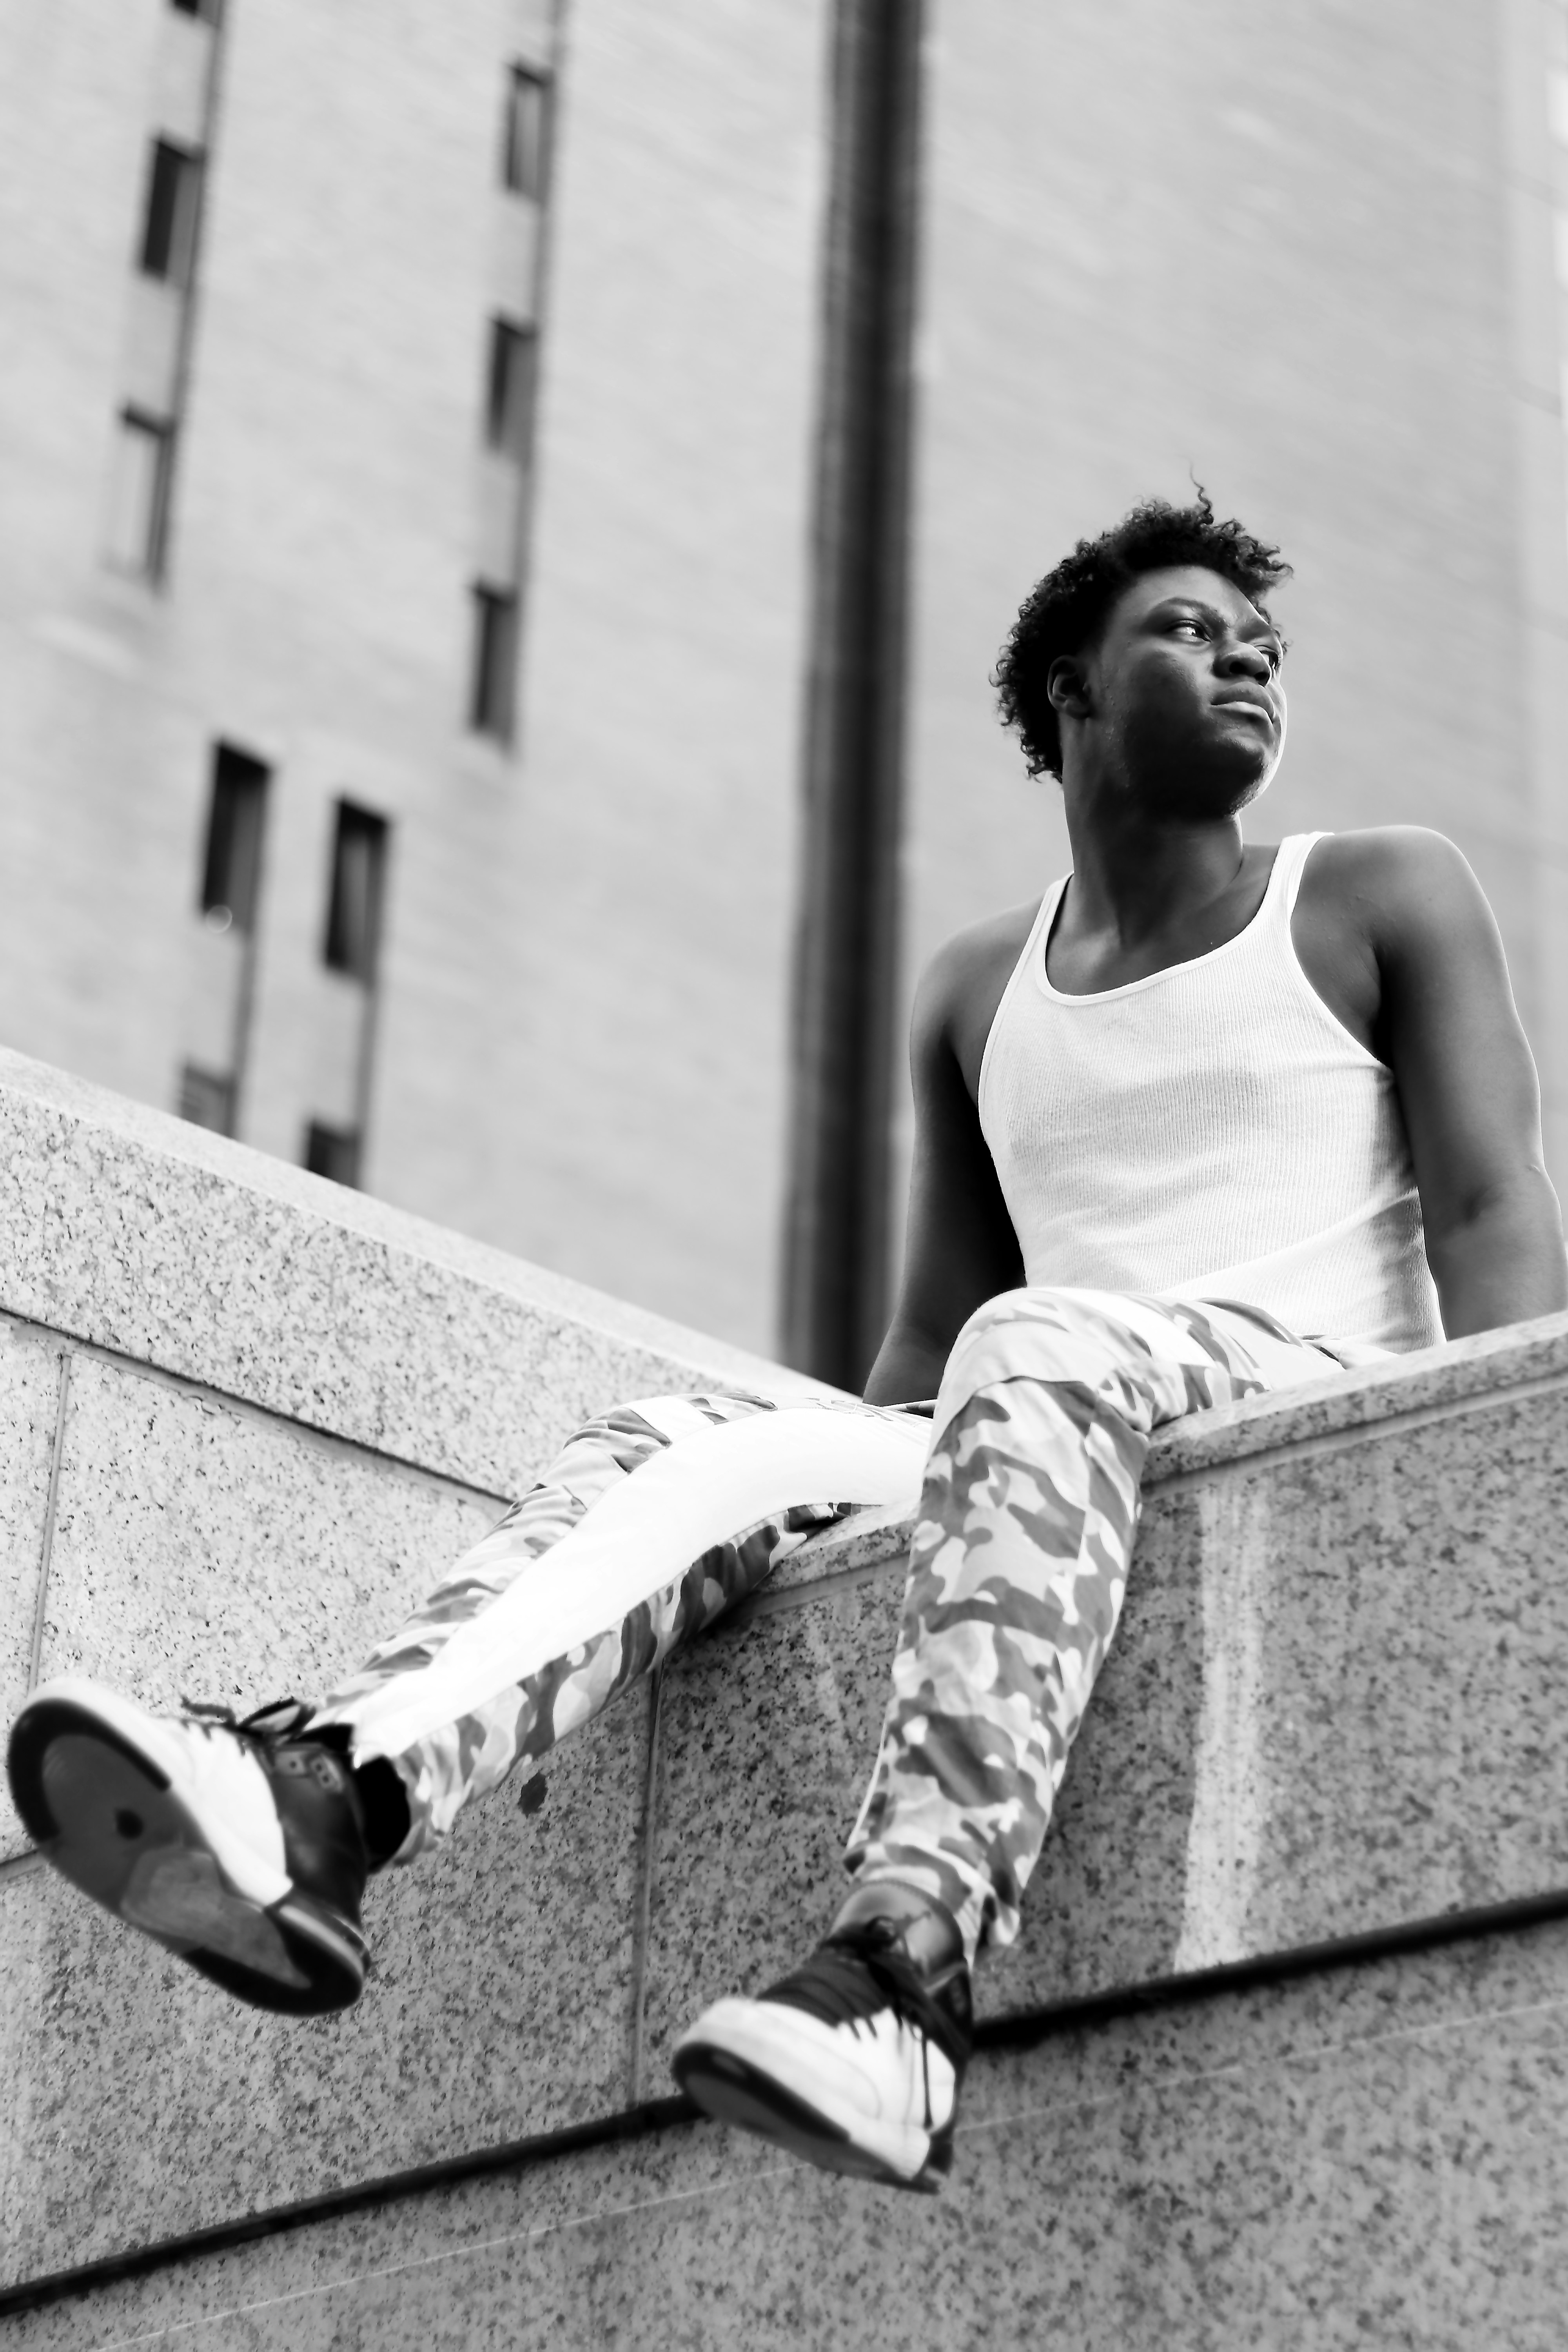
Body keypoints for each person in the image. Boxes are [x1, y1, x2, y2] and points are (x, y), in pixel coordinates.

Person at [9, 496, 1565, 2200]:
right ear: (1072, 693)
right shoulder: (979, 991)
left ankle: (902, 1980)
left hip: (1291, 1387)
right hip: (1035, 1410)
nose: (1248, 656)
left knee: (1037, 1339)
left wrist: (1506, 1477)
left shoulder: (1380, 892)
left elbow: (1492, 1209)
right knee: (690, 1438)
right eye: (1192, 631)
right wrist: (782, 1500)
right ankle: (335, 1793)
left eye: (1261, 641)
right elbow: (920, 1347)